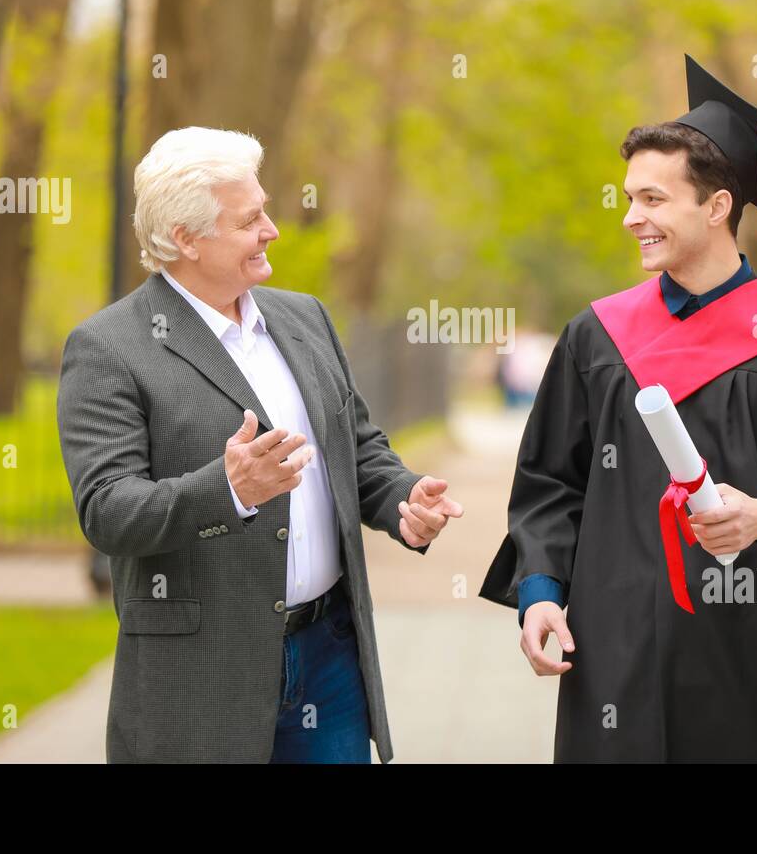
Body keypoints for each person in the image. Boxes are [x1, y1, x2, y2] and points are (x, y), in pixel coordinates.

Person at [479, 56, 757, 761]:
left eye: (651, 199)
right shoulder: (597, 336)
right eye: (628, 198)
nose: (630, 218)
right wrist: (541, 591)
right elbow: (551, 480)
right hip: (621, 652)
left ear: (717, 206)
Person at [57, 127, 463, 763]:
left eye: (265, 211)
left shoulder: (303, 317)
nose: (271, 229)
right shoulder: (109, 349)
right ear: (185, 238)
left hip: (328, 659)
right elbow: (107, 511)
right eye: (250, 220)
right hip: (200, 675)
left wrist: (403, 499)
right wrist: (227, 491)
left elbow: (354, 447)